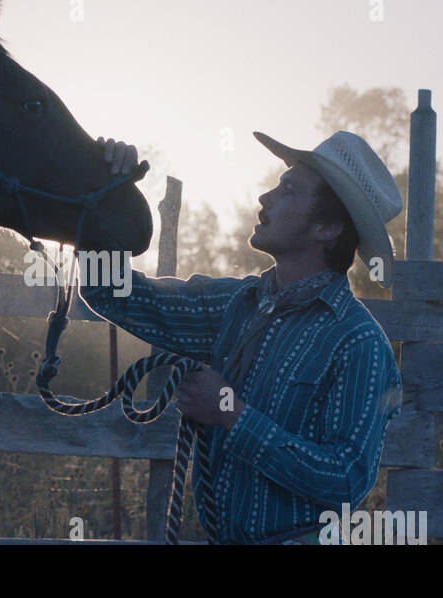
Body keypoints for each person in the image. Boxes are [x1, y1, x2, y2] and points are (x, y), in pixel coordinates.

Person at [82, 131, 405, 544]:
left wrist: (231, 413)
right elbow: (111, 291)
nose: (265, 198)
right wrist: (103, 188)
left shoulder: (359, 343)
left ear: (327, 227)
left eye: (287, 191)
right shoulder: (236, 305)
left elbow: (344, 479)